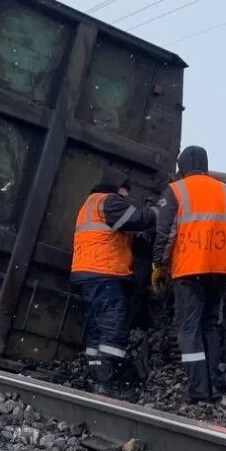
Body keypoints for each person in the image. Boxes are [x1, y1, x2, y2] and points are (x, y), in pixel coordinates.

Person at [151, 146, 226, 402]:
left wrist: (159, 265)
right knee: (211, 326)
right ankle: (217, 384)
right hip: (217, 270)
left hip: (188, 271)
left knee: (189, 330)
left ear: (182, 168)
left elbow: (166, 232)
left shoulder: (176, 191)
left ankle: (199, 392)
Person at [71, 170, 155, 399]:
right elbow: (138, 219)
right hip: (103, 272)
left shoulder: (91, 204)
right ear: (119, 188)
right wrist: (157, 212)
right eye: (127, 191)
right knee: (112, 323)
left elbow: (121, 236)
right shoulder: (109, 201)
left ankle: (98, 379)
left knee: (96, 328)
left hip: (87, 273)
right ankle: (109, 383)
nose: (128, 196)